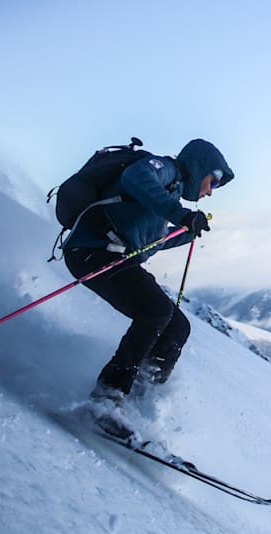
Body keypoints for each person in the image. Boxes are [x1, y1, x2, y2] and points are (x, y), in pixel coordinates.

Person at [62, 139, 233, 421]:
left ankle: (136, 404)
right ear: (200, 167)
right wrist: (181, 215)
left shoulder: (170, 193)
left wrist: (183, 233)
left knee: (178, 326)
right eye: (213, 181)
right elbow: (135, 176)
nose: (210, 191)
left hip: (112, 257)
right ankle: (107, 397)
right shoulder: (165, 169)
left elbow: (145, 243)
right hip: (90, 252)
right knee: (156, 311)